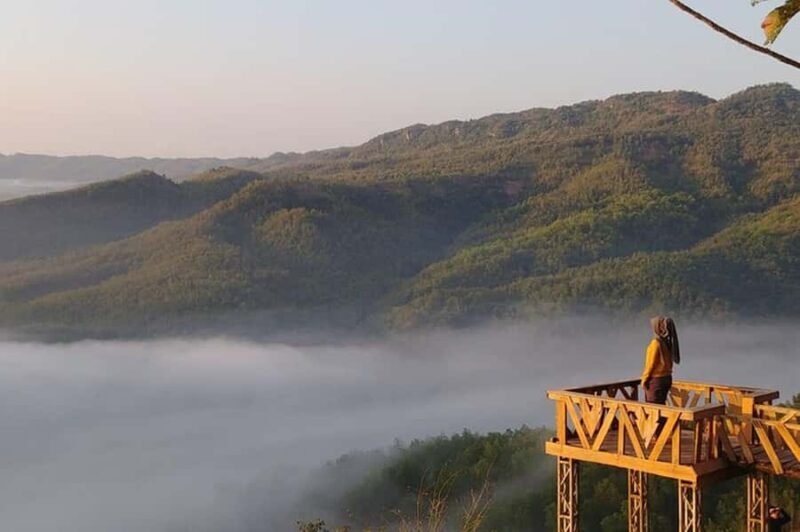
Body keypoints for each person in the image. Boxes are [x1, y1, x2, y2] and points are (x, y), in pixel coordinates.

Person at [641, 316, 680, 405]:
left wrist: (644, 379)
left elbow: (651, 364)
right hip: (666, 378)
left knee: (653, 408)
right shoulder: (666, 342)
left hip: (657, 380)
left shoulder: (656, 343)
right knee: (661, 406)